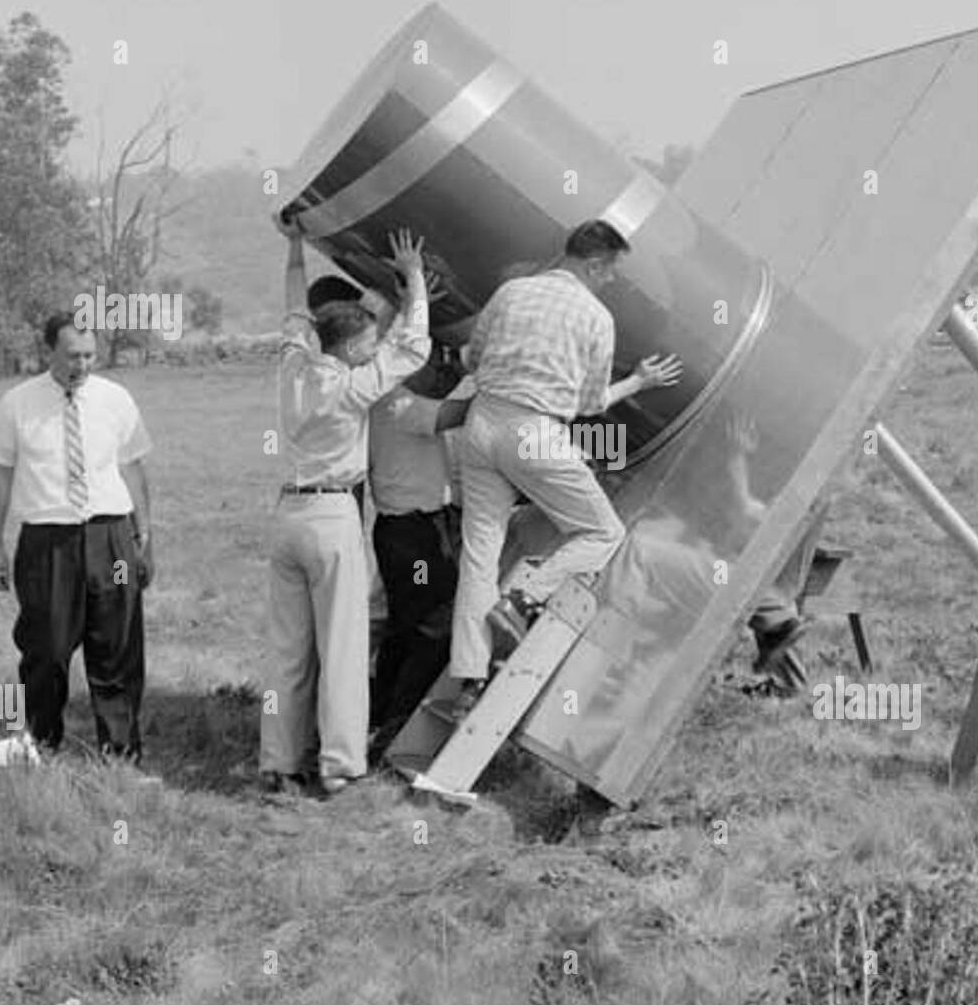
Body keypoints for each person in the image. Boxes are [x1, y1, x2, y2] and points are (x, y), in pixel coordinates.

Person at [444, 218, 682, 721]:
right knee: (601, 531)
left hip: (481, 422)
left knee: (479, 553)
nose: (613, 280)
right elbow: (591, 405)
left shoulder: (511, 293)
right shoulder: (596, 318)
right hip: (534, 431)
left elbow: (473, 358)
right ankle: (523, 598)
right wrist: (639, 382)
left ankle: (469, 678)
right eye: (612, 270)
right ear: (594, 264)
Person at [260, 215, 429, 797]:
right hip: (333, 517)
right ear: (353, 346)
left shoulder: (294, 369)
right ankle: (338, 764)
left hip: (287, 516)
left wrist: (295, 251)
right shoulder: (354, 387)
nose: (370, 347)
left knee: (287, 649)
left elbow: (292, 312)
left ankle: (279, 762)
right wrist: (414, 280)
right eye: (365, 342)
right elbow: (413, 347)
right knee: (343, 643)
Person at [0, 313, 154, 761]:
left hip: (110, 537)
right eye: (72, 355)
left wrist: (144, 536)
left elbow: (133, 468)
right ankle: (42, 744)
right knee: (47, 649)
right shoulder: (17, 404)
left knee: (116, 645)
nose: (83, 364)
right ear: (48, 352)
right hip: (47, 542)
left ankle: (119, 753)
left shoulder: (115, 399)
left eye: (89, 355)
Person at [367, 336, 474, 759]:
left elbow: (444, 391)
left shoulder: (399, 397)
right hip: (413, 539)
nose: (439, 373)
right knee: (434, 623)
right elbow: (455, 411)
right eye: (432, 364)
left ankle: (382, 711)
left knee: (405, 623)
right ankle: (400, 721)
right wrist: (504, 387)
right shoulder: (399, 405)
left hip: (416, 529)